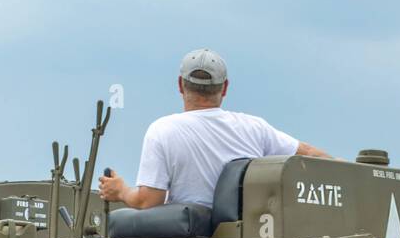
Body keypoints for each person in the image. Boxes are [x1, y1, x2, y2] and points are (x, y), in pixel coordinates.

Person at [99, 48, 335, 210]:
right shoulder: (255, 128)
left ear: (181, 85)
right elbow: (312, 155)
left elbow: (148, 201)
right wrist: (364, 174)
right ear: (224, 88)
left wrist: (120, 191)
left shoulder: (162, 130)